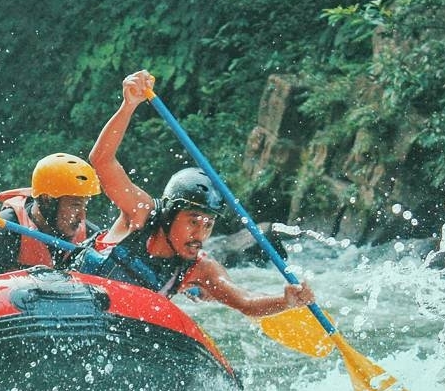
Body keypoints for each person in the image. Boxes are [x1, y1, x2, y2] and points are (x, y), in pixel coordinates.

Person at [85, 70, 314, 317]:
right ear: (170, 214)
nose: (200, 234)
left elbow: (246, 301)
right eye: (193, 221)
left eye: (208, 225)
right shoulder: (141, 214)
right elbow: (101, 161)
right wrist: (129, 105)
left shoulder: (199, 268)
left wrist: (286, 301)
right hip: (77, 298)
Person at [0, 152, 102, 280]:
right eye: (75, 205)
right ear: (47, 200)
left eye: (84, 205)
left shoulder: (89, 235)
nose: (82, 216)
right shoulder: (8, 227)